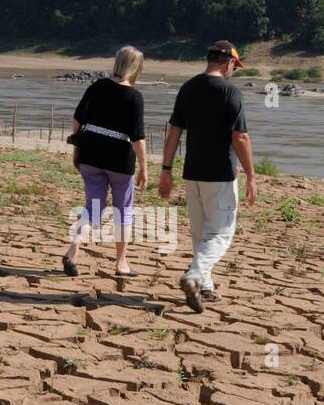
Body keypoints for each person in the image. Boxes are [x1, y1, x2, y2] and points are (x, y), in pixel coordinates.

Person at [157, 40, 257, 313]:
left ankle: (206, 287)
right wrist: (251, 175)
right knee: (221, 235)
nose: (234, 71)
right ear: (229, 63)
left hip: (192, 172)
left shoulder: (188, 87)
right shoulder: (230, 92)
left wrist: (166, 170)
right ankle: (193, 275)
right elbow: (240, 136)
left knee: (201, 233)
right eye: (235, 66)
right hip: (221, 174)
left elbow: (175, 131)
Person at [62, 46, 147, 277]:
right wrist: (144, 168)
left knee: (92, 209)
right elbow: (138, 137)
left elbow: (77, 120)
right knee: (123, 211)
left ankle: (72, 250)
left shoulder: (97, 87)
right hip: (120, 160)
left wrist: (77, 149)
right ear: (136, 68)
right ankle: (121, 263)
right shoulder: (135, 97)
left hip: (90, 154)